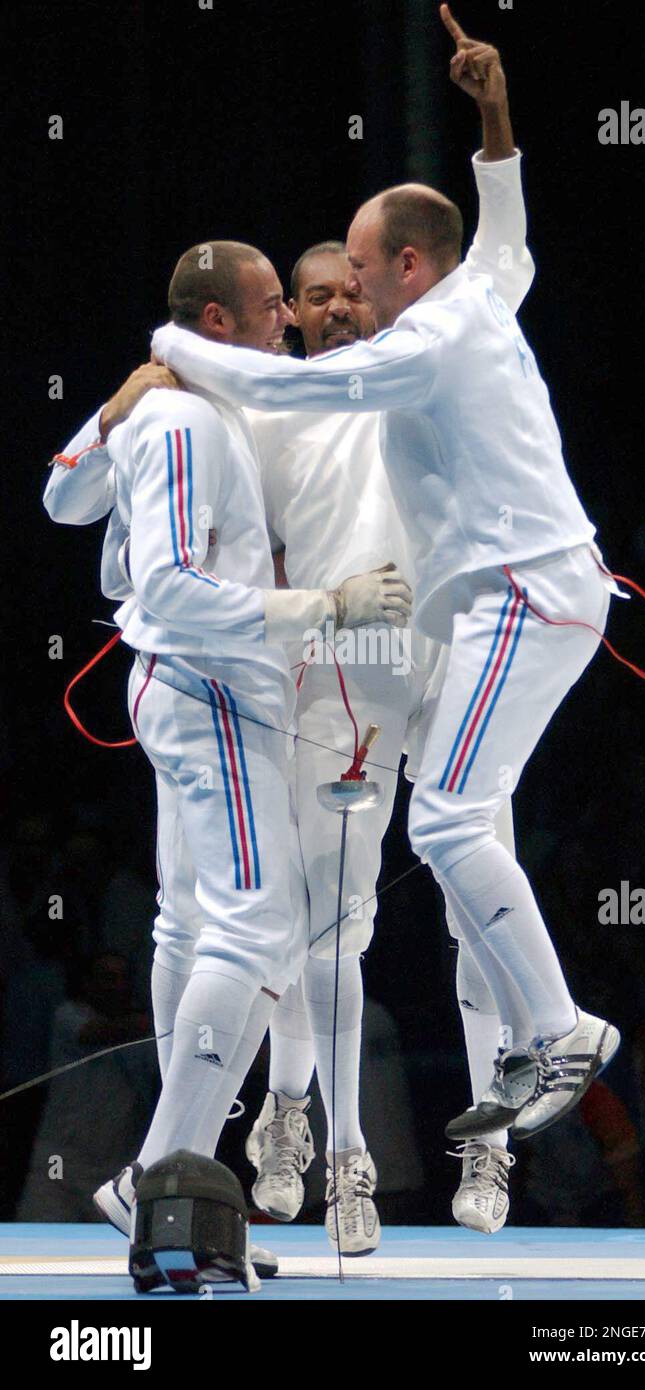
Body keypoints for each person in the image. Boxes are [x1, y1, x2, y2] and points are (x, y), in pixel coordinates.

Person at [44, 18, 535, 1242]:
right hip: (303, 670)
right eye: (296, 299)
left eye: (336, 288)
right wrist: (134, 389)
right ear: (273, 316)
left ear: (380, 287)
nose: (320, 310)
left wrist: (494, 128)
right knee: (312, 921)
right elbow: (121, 513)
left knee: (470, 882)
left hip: (435, 657)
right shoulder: (249, 398)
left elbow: (502, 259)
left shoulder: (429, 355)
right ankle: (307, 1133)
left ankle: (485, 1136)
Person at [150, 5, 622, 1156]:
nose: (346, 290)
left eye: (359, 267)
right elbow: (502, 224)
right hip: (510, 604)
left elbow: (300, 391)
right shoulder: (485, 287)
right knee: (441, 835)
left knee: (451, 817)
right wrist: (495, 112)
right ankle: (527, 1036)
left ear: (409, 265)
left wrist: (173, 345)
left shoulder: (428, 339)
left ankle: (558, 1028)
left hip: (520, 593)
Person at [45, 239, 412, 1232]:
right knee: (259, 926)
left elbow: (61, 494)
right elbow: (162, 582)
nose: (290, 320)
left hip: (194, 684)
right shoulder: (186, 421)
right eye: (273, 305)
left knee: (188, 919)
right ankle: (165, 1171)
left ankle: (177, 1171)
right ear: (220, 323)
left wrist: (111, 406)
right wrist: (321, 605)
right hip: (214, 685)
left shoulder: (183, 405)